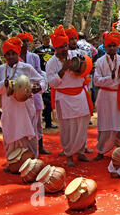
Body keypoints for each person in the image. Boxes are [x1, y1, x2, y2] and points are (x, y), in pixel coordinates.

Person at [0, 37, 46, 171]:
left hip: (26, 108)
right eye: (8, 54)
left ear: (17, 54)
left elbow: (42, 81)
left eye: (13, 53)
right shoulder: (1, 70)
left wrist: (38, 88)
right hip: (9, 108)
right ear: (5, 56)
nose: (10, 56)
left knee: (29, 134)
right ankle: (12, 163)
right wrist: (4, 85)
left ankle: (32, 163)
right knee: (10, 134)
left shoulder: (26, 68)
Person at [46, 25, 94, 167]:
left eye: (65, 45)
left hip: (79, 95)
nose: (64, 49)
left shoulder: (75, 55)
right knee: (67, 127)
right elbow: (52, 83)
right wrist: (64, 69)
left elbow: (85, 70)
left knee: (82, 124)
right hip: (64, 97)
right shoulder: (51, 62)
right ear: (55, 48)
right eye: (61, 47)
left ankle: (80, 151)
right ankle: (68, 154)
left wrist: (83, 68)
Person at [93, 32, 120, 161]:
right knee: (104, 124)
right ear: (105, 46)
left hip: (118, 95)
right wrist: (113, 77)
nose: (112, 48)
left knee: (118, 124)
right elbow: (96, 81)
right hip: (104, 96)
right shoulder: (99, 62)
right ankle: (101, 150)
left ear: (117, 46)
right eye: (109, 46)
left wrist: (119, 77)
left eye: (114, 46)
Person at [16, 33, 51, 155]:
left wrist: (39, 86)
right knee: (23, 122)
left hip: (34, 93)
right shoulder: (14, 59)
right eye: (21, 42)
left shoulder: (34, 57)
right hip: (19, 95)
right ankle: (24, 150)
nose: (24, 44)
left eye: (26, 41)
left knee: (37, 123)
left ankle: (40, 146)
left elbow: (39, 73)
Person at [34, 34, 57, 129]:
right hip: (41, 76)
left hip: (51, 76)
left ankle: (48, 122)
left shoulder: (53, 49)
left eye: (48, 39)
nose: (47, 41)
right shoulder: (37, 50)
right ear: (42, 40)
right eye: (45, 39)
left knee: (50, 100)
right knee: (44, 100)